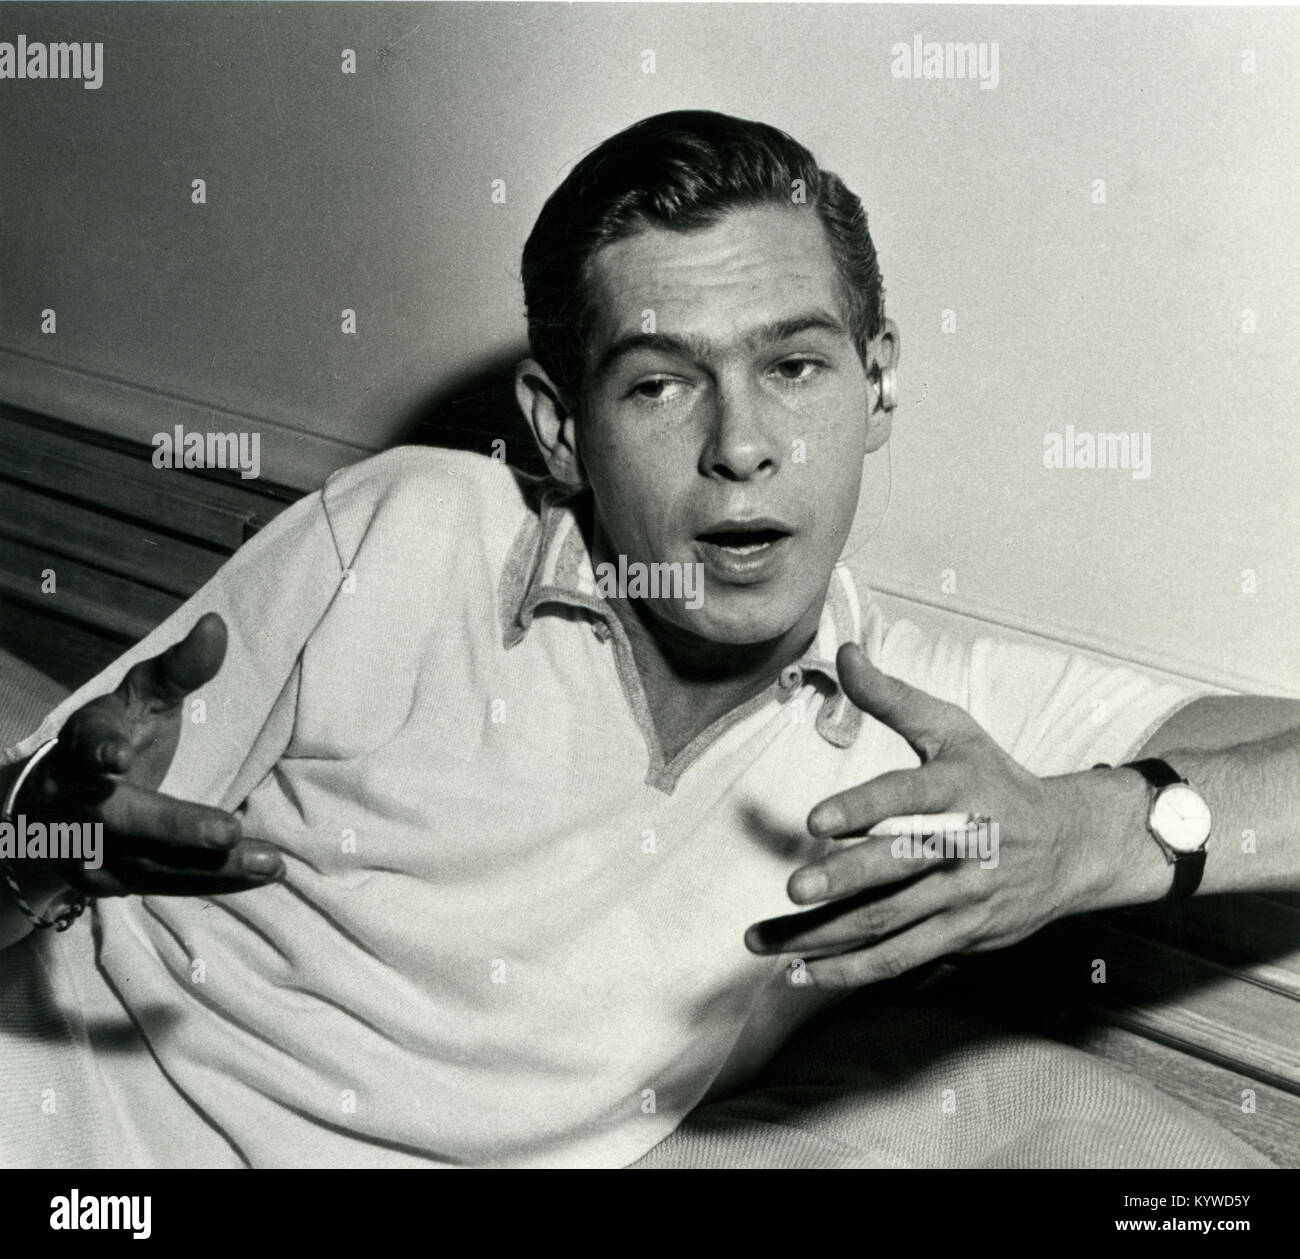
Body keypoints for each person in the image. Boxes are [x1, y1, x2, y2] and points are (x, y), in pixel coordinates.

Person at [1, 111, 1296, 1169]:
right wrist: (33, 849)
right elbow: (46, 822)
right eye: (662, 383)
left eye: (793, 366)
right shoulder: (407, 537)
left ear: (878, 381)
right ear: (562, 429)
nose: (740, 446)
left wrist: (1111, 830)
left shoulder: (917, 713)